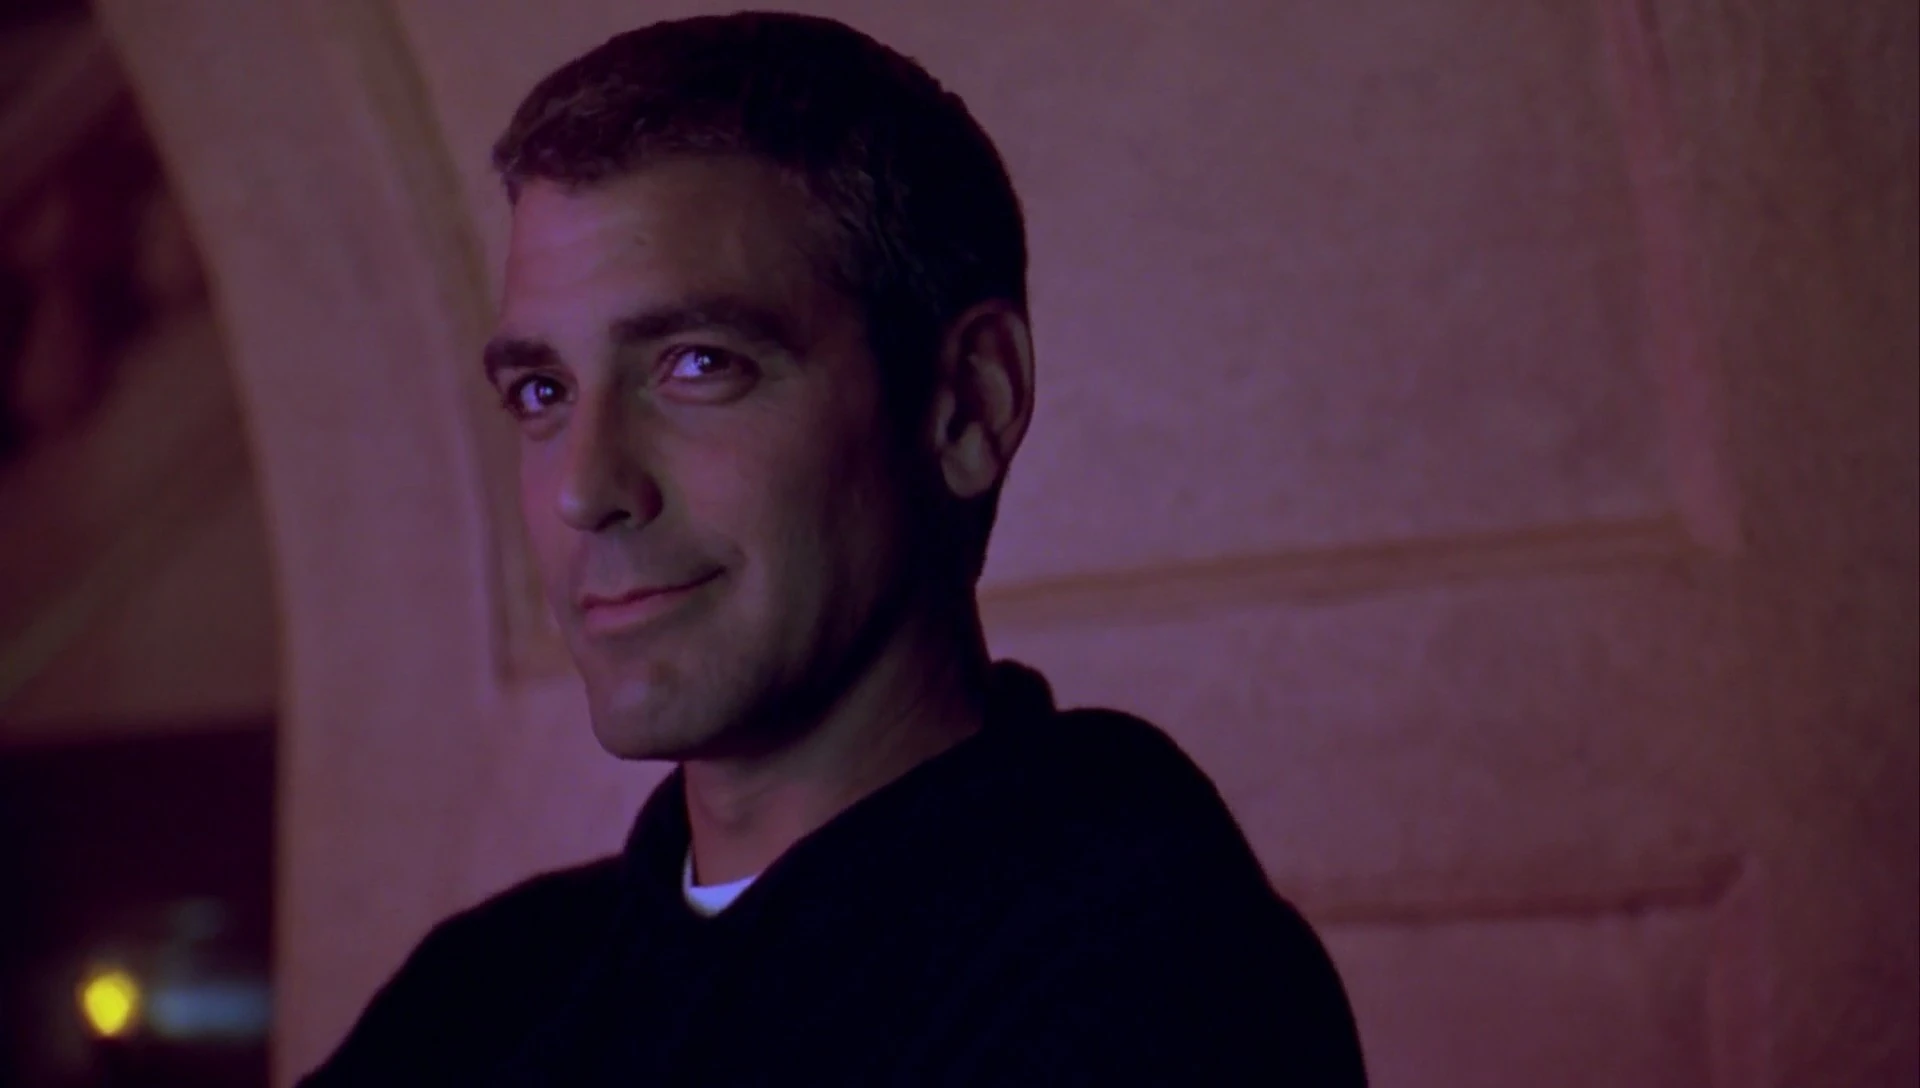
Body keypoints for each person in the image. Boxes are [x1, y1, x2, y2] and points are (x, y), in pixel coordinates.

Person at [301, 12, 1366, 1085]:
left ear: (967, 405)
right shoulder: (486, 990)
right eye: (542, 391)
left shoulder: (1157, 982)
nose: (585, 490)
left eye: (698, 365)